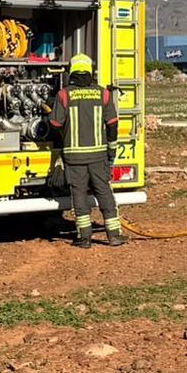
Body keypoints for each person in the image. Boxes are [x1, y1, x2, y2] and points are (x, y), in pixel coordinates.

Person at [45, 52, 123, 248]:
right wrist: (111, 152)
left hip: (74, 157)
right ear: (90, 71)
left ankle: (85, 237)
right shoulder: (103, 94)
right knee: (104, 193)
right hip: (98, 156)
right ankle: (114, 235)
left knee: (79, 195)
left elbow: (55, 124)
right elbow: (112, 124)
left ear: (71, 71)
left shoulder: (64, 95)